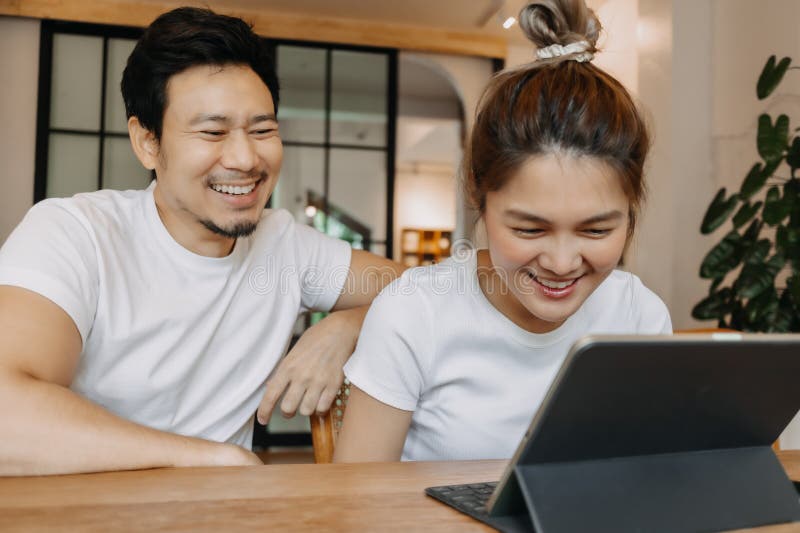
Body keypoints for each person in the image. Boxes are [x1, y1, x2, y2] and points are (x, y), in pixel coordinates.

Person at [0, 7, 402, 476]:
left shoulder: (286, 247)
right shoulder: (76, 233)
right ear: (147, 142)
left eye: (263, 129)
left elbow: (444, 289)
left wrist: (350, 325)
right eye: (213, 131)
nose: (245, 158)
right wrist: (210, 458)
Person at [333, 0, 672, 463]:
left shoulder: (638, 317)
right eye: (530, 229)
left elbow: (650, 474)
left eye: (595, 231)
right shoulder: (415, 313)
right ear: (478, 193)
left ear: (630, 212)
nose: (561, 262)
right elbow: (356, 502)